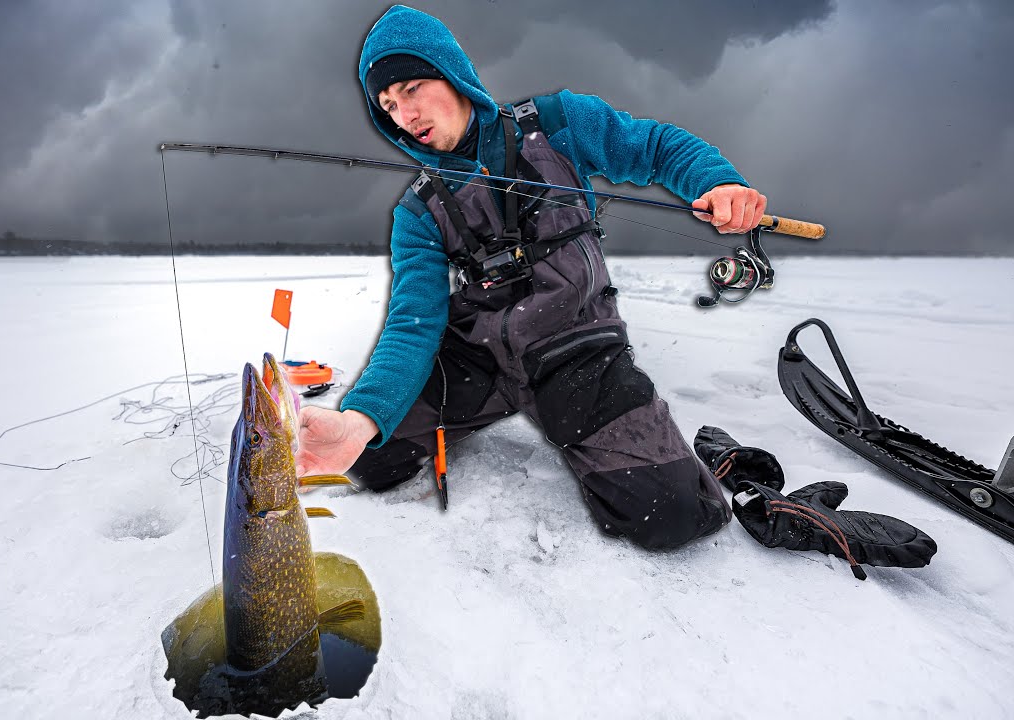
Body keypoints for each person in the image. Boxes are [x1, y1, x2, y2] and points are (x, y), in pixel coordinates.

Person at [293, 5, 767, 550]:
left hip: (577, 347)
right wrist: (360, 418)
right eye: (388, 104)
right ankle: (424, 418)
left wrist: (718, 182)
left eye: (413, 87)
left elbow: (656, 147)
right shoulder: (416, 212)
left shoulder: (558, 122)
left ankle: (670, 449)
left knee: (673, 518)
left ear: (452, 73)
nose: (405, 114)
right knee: (369, 459)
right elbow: (413, 324)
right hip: (479, 355)